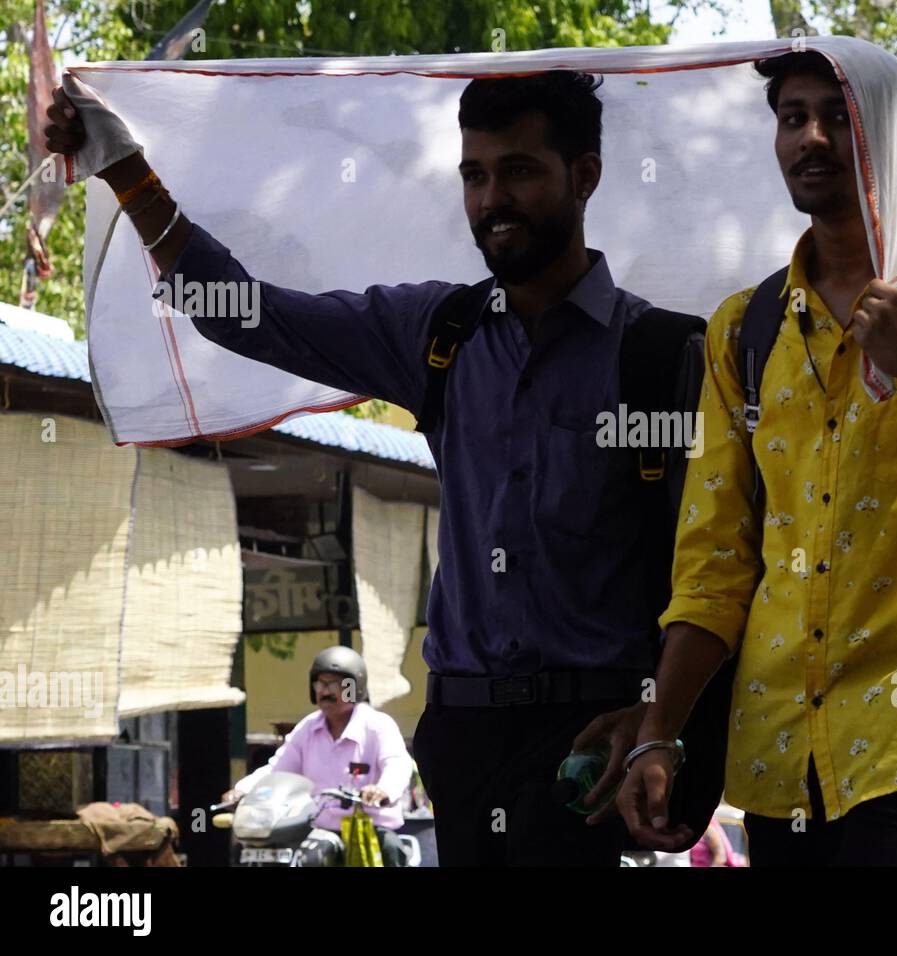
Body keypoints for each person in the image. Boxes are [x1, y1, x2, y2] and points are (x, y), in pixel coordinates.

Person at [45, 70, 704, 866]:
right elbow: (251, 318)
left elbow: (724, 567)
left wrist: (662, 718)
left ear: (585, 175)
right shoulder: (440, 333)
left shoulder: (667, 355)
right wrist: (126, 171)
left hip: (592, 750)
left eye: (520, 171)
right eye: (475, 174)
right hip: (463, 742)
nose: (493, 198)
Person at [617, 51, 897, 866]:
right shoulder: (743, 330)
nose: (813, 137)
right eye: (793, 117)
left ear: (894, 136)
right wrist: (658, 737)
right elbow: (713, 567)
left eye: (840, 116)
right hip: (772, 749)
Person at [222, 646, 413, 867]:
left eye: (334, 684)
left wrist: (383, 790)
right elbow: (276, 770)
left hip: (368, 833)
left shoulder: (378, 726)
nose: (325, 691)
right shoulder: (308, 727)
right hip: (317, 833)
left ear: (355, 687)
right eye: (320, 684)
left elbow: (397, 765)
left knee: (390, 848)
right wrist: (242, 790)